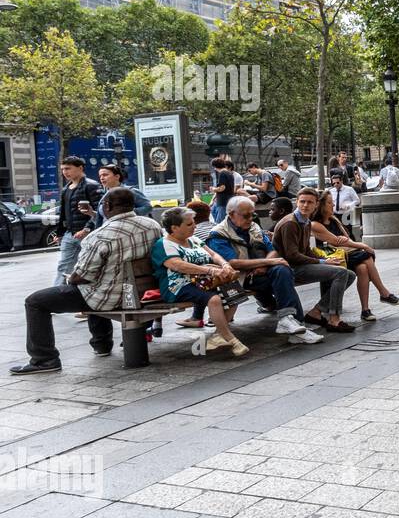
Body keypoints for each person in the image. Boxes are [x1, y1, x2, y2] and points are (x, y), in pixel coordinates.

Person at [13, 188, 163, 374]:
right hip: (144, 291)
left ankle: (44, 359)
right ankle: (101, 344)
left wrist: (71, 278)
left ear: (106, 206)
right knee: (95, 286)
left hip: (110, 297)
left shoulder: (100, 235)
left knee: (36, 301)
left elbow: (84, 275)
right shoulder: (153, 226)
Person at [204, 196, 322, 343]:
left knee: (282, 270)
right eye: (246, 215)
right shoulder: (218, 234)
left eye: (253, 214)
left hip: (262, 273)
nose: (250, 218)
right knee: (283, 274)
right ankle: (296, 325)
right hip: (240, 278)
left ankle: (287, 320)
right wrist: (267, 262)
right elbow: (232, 263)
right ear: (231, 214)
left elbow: (271, 250)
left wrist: (265, 265)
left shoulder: (254, 226)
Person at [152, 206, 247, 356]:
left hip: (203, 281)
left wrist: (225, 265)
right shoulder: (163, 244)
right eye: (189, 224)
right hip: (177, 285)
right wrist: (210, 270)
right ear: (174, 228)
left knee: (233, 293)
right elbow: (177, 265)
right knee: (214, 299)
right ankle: (231, 339)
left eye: (193, 222)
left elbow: (213, 254)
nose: (195, 226)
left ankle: (218, 335)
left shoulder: (193, 239)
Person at [272, 188, 357, 332]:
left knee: (350, 274)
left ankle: (316, 312)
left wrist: (325, 258)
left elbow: (306, 251)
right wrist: (322, 262)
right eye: (302, 202)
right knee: (341, 273)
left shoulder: (305, 221)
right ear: (296, 203)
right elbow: (292, 255)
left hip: (300, 264)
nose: (305, 205)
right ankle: (334, 320)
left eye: (310, 202)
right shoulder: (290, 223)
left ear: (316, 204)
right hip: (288, 269)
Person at [310, 190, 399, 321]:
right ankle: (383, 293)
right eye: (330, 203)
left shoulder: (334, 219)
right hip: (332, 258)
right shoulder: (315, 225)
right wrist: (364, 245)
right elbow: (336, 241)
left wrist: (346, 242)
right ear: (321, 206)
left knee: (363, 268)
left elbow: (347, 240)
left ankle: (365, 310)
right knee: (367, 255)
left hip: (346, 254)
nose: (333, 205)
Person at [51, 156, 103, 287]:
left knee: (90, 268)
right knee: (64, 267)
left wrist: (87, 229)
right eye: (63, 169)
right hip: (70, 234)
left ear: (80, 168)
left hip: (89, 235)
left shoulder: (91, 186)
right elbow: (63, 214)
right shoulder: (66, 189)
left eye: (68, 168)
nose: (65, 172)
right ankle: (56, 295)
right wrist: (60, 233)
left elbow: (99, 212)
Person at [209, 156, 236, 224]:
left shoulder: (222, 174)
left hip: (223, 200)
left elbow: (222, 188)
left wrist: (213, 189)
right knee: (213, 211)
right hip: (228, 199)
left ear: (215, 166)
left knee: (220, 222)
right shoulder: (229, 173)